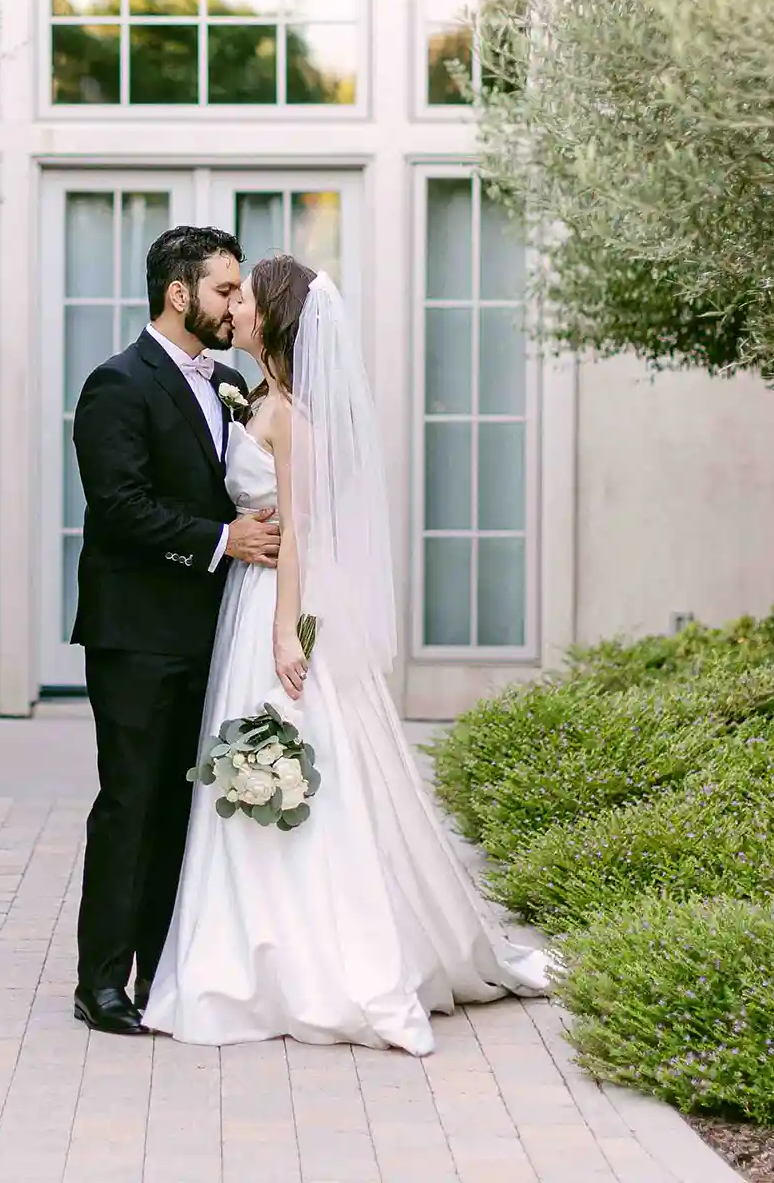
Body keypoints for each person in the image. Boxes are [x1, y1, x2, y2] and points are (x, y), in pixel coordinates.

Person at [141, 253, 548, 1053]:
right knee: (273, 760)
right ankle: (258, 949)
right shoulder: (261, 396)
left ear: (277, 318)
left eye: (247, 301)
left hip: (276, 604)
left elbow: (301, 529)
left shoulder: (289, 414)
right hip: (250, 599)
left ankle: (308, 962)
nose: (237, 312)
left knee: (296, 756)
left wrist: (286, 628)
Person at [68, 225, 282, 1036]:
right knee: (131, 802)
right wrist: (225, 540)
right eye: (226, 291)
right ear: (179, 294)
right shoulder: (115, 384)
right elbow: (119, 508)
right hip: (136, 635)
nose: (238, 306)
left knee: (185, 810)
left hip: (212, 635)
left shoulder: (230, 383)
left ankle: (162, 968)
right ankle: (100, 982)